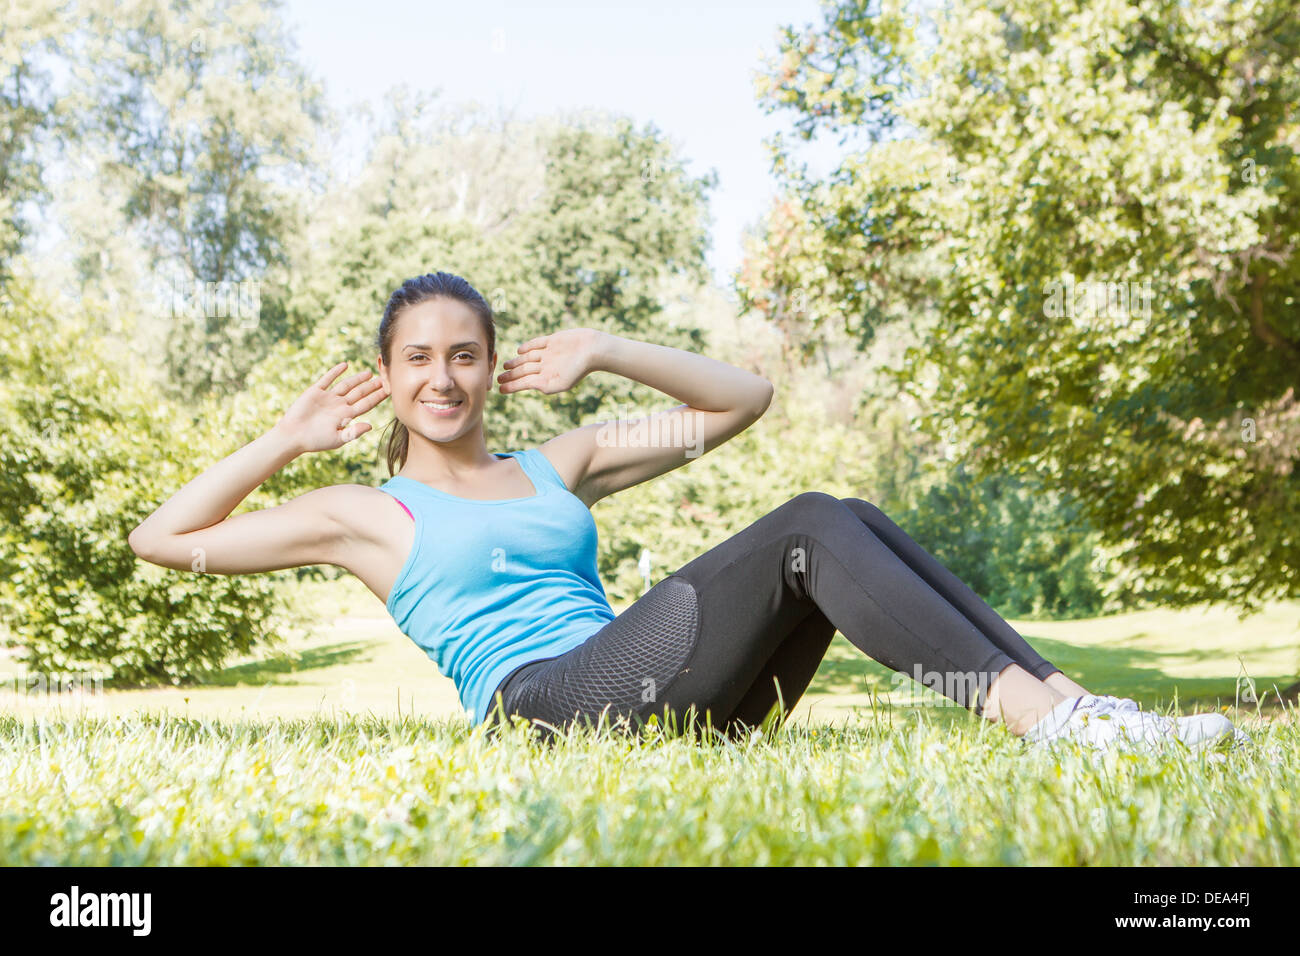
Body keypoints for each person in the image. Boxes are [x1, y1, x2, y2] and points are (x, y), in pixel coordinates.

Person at [129, 272, 1249, 755]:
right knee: (809, 520)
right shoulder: (363, 513)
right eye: (418, 357)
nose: (443, 376)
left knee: (840, 514)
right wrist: (283, 439)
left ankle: (1076, 710)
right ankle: (1058, 727)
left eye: (463, 353)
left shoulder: (557, 462)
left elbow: (740, 400)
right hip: (549, 710)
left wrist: (607, 350)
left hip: (658, 693)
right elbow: (161, 537)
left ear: (489, 367)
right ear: (387, 370)